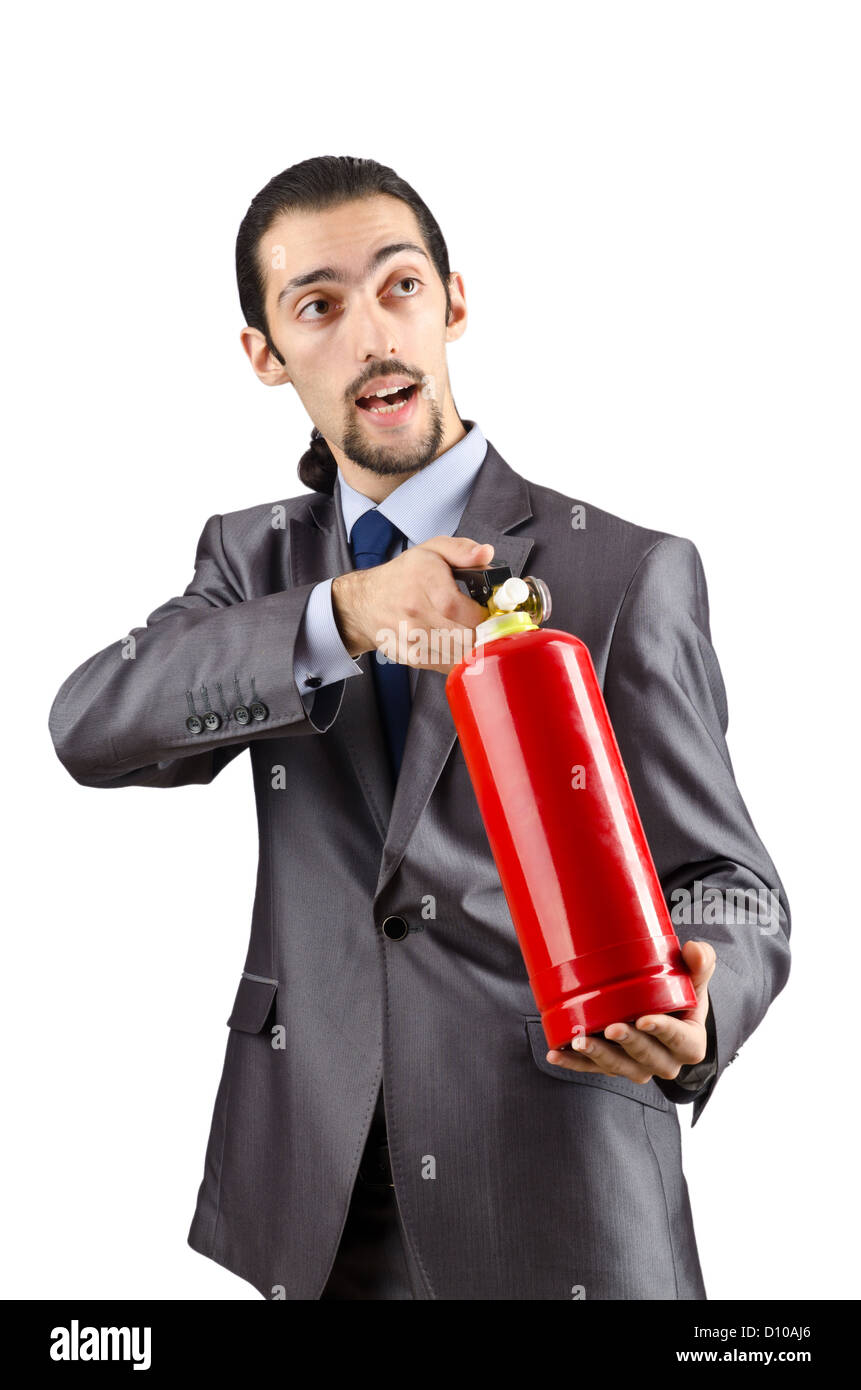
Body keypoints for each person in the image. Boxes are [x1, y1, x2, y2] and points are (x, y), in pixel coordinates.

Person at [48, 155, 791, 1300]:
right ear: (264, 353)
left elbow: (734, 882)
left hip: (557, 1184)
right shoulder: (254, 564)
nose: (371, 334)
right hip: (319, 1195)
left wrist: (705, 995)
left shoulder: (628, 569)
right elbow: (93, 723)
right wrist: (343, 615)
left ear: (453, 300)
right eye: (318, 306)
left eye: (399, 287)